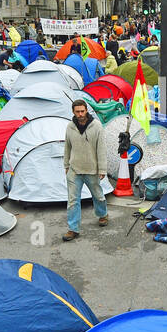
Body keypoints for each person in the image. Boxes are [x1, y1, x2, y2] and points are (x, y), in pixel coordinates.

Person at [62, 98, 109, 241]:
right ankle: (73, 229)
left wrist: (102, 169)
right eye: (77, 112)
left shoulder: (96, 126)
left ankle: (102, 215)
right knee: (72, 201)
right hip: (75, 169)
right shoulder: (70, 127)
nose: (80, 114)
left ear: (86, 110)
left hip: (92, 170)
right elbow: (67, 147)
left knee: (98, 195)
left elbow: (101, 149)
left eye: (83, 111)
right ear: (73, 112)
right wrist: (66, 165)